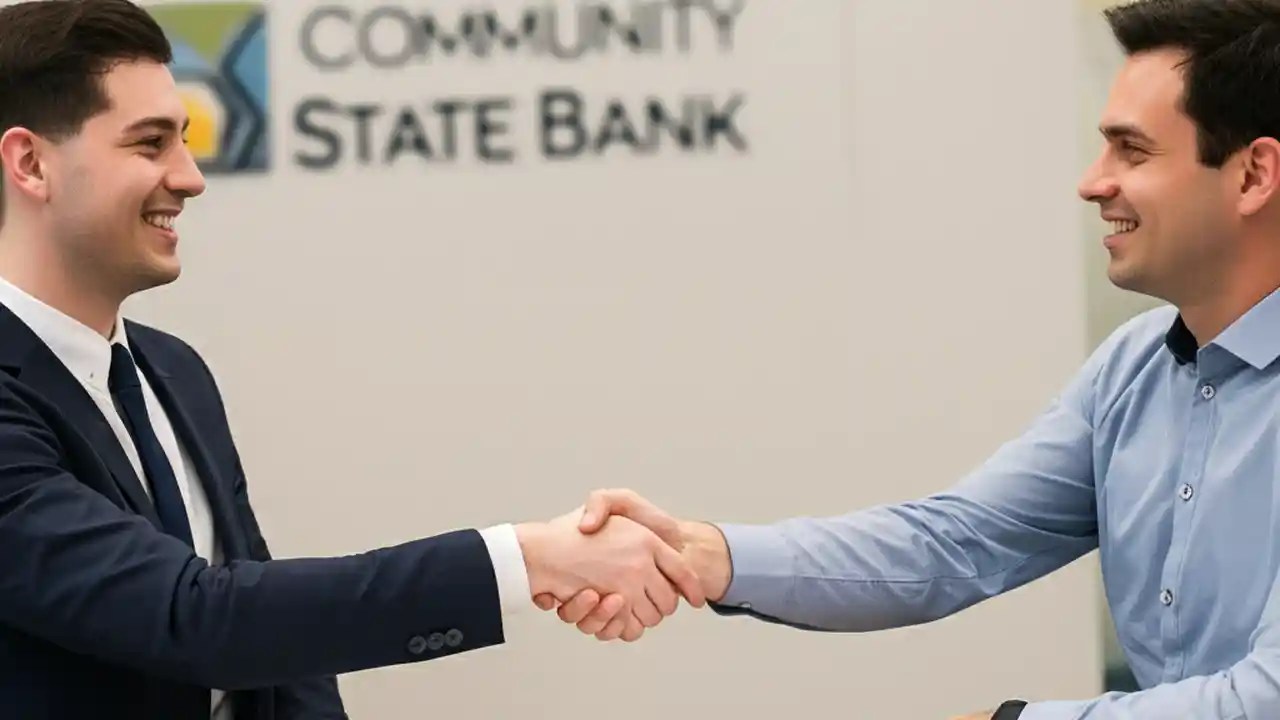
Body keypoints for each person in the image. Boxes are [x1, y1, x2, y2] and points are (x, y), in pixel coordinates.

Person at [542, 0, 1280, 717]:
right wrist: (702, 555)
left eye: (1133, 149)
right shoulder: (1131, 371)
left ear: (1253, 175)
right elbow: (952, 543)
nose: (1093, 182)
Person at [0, 1, 703, 718]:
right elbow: (198, 619)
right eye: (149, 145)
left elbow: (272, 646)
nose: (189, 178)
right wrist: (528, 559)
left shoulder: (173, 371)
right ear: (30, 163)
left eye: (184, 141)